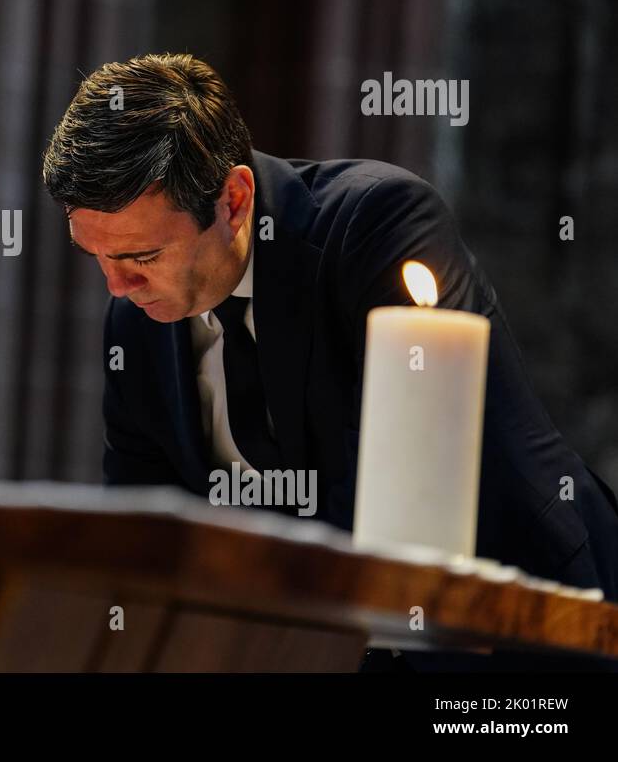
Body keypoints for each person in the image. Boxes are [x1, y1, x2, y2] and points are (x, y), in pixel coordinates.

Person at [40, 53, 618, 627]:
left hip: (527, 618)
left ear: (234, 202)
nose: (117, 286)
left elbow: (397, 474)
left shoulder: (375, 225)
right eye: (97, 256)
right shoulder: (137, 320)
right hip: (311, 637)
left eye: (142, 256)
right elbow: (145, 521)